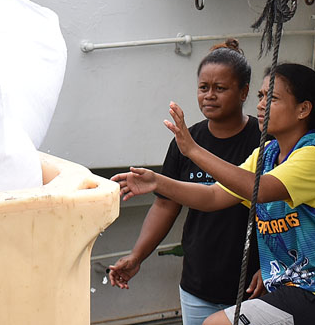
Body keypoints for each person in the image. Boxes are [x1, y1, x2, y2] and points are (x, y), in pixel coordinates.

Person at [112, 63, 315, 325]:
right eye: (261, 95)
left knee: (216, 323)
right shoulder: (267, 154)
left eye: (273, 98)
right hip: (303, 288)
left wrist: (193, 150)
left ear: (303, 109)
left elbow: (261, 190)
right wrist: (158, 182)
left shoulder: (313, 155)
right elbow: (214, 197)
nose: (261, 104)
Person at [108, 40, 263, 325]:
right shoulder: (186, 140)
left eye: (221, 88)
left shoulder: (262, 141)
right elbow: (166, 205)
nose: (210, 96)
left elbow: (284, 209)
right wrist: (137, 255)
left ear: (244, 92)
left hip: (254, 284)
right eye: (204, 88)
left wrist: (271, 267)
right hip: (198, 283)